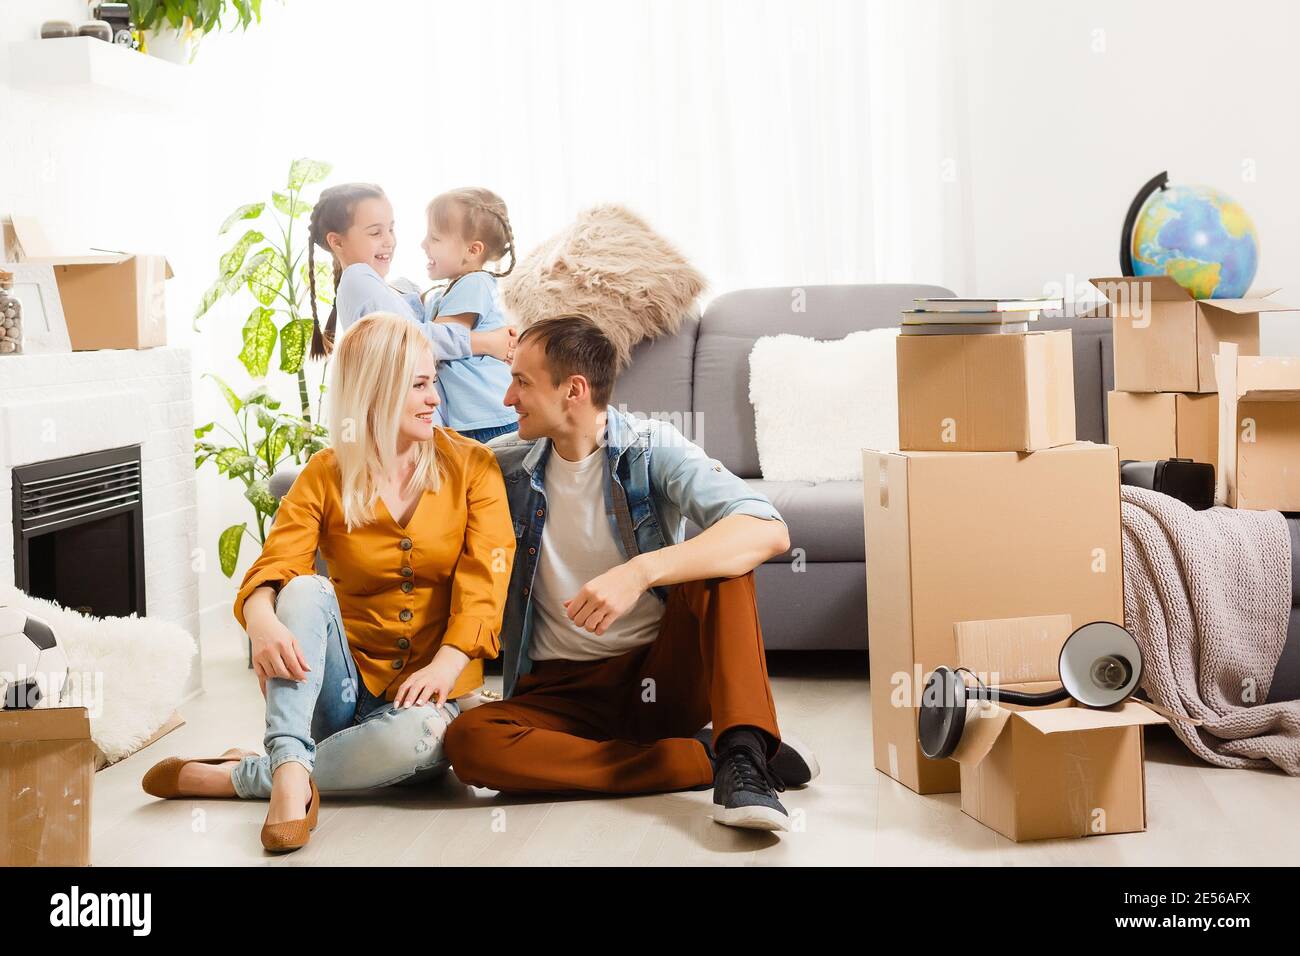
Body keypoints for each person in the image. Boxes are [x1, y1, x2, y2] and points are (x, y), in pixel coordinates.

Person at [141, 313, 515, 852]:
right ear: (376, 390)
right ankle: (293, 764)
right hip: (335, 694)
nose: (435, 397)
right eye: (418, 384)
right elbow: (277, 564)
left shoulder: (472, 467)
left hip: (426, 701)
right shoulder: (325, 472)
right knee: (303, 589)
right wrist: (262, 620)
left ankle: (249, 775)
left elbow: (489, 574)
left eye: (433, 380)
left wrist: (448, 662)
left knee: (424, 738)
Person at [443, 314, 819, 831]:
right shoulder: (503, 467)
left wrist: (641, 570)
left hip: (658, 679)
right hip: (558, 694)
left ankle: (743, 763)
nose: (508, 399)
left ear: (573, 390)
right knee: (470, 744)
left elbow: (767, 528)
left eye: (521, 382)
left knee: (725, 565)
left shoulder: (648, 448)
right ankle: (700, 757)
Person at [305, 182, 516, 425]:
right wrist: (488, 342)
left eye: (391, 229)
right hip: (420, 424)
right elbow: (412, 340)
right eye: (375, 233)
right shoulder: (357, 277)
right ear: (337, 242)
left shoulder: (385, 287)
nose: (389, 241)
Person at [420, 187, 521, 443]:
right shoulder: (456, 288)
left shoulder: (473, 283)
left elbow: (439, 340)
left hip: (485, 416)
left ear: (473, 250)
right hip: (477, 415)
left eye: (435, 238)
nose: (424, 244)